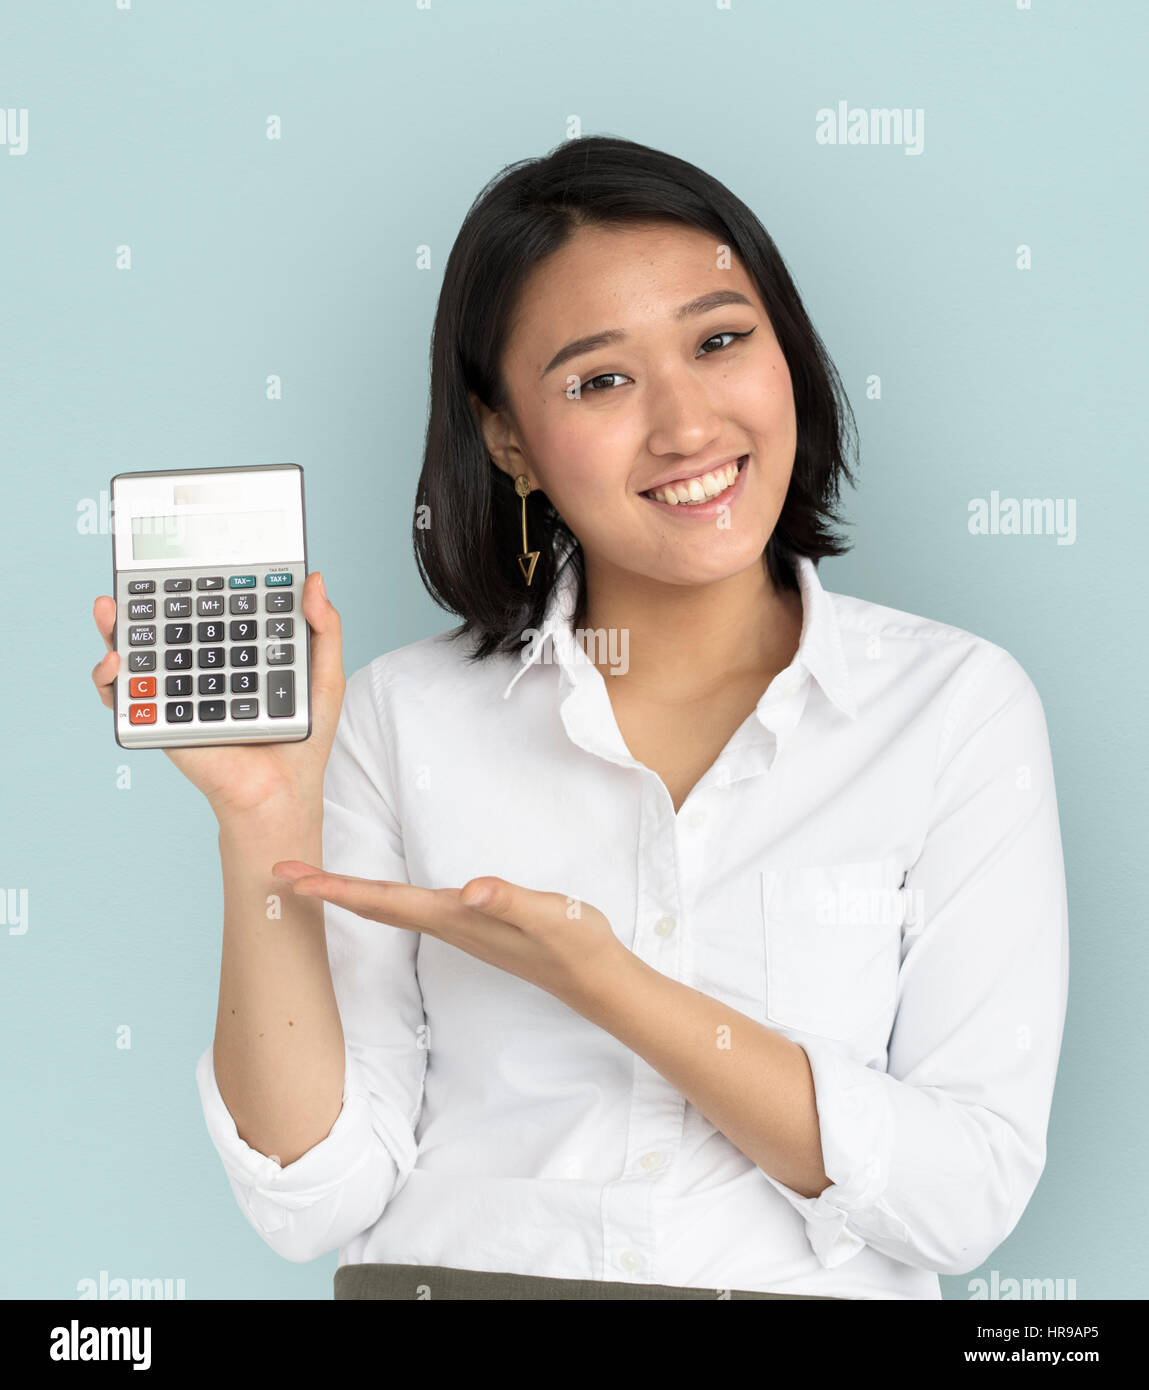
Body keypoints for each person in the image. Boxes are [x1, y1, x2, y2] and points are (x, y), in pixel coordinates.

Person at [89, 135, 1069, 1301]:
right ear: (507, 437)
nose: (687, 426)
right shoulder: (403, 716)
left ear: (788, 351)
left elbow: (964, 1194)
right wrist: (259, 820)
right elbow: (314, 1192)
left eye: (719, 341)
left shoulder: (953, 708)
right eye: (599, 379)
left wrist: (602, 981)